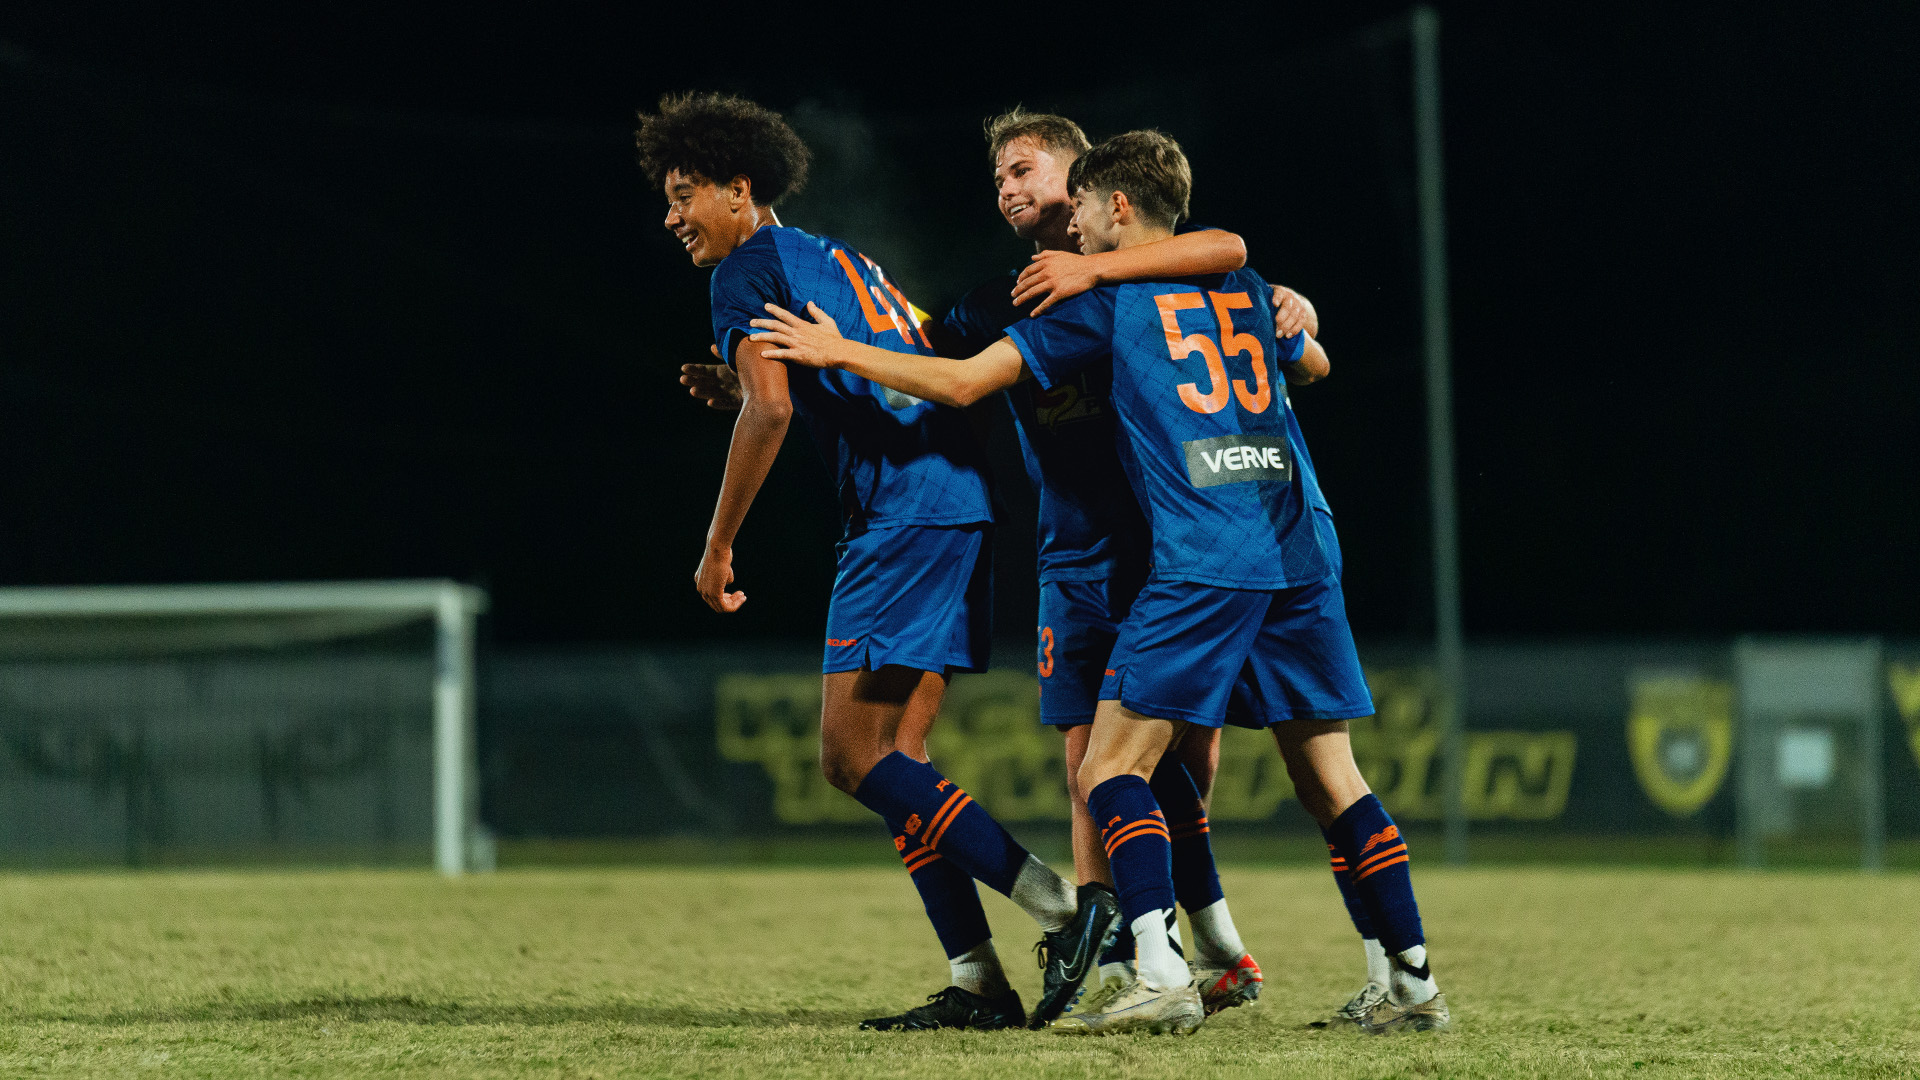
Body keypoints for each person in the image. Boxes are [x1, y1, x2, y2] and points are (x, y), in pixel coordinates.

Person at [746, 129, 1449, 1037]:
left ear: (1113, 207)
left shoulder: (1096, 303)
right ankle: (1410, 982)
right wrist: (1300, 319)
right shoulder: (1230, 281)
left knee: (1109, 768)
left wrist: (833, 351)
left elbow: (960, 383)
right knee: (1331, 779)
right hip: (1295, 546)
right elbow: (1299, 345)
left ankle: (1159, 972)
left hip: (1196, 554)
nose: (1058, 213)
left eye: (1069, 196)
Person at [635, 91, 1116, 1033]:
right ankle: (978, 980)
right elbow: (861, 365)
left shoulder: (742, 270)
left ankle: (1067, 907)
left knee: (849, 756)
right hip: (960, 503)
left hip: (901, 515)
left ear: (740, 189)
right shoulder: (834, 256)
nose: (672, 215)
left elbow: (770, 412)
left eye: (684, 192)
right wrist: (742, 377)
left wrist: (718, 542)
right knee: (901, 760)